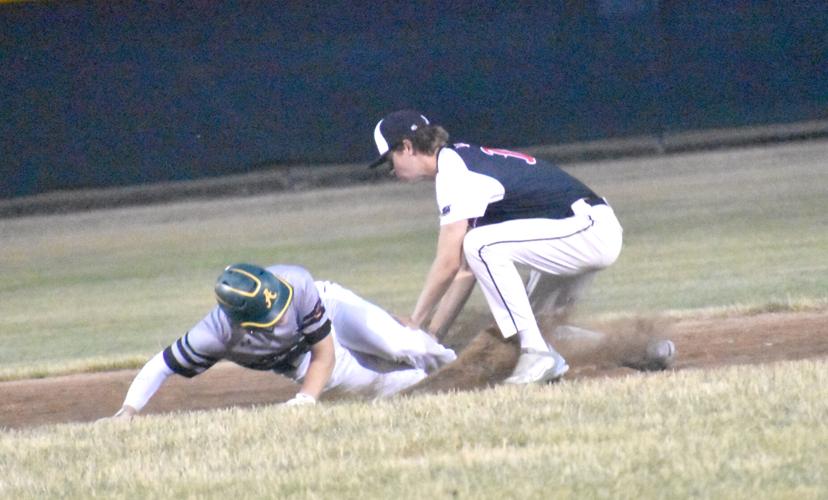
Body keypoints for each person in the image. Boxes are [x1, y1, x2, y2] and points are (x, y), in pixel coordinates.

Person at [368, 110, 623, 385]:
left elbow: (448, 263)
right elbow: (466, 270)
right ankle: (631, 349)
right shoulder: (460, 160)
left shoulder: (455, 171)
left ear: (406, 146)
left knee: (479, 244)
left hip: (587, 230)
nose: (391, 170)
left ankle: (537, 355)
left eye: (389, 161)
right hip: (576, 230)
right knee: (534, 325)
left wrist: (415, 320)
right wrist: (433, 335)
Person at [108, 263, 456, 419]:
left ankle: (462, 366)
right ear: (238, 321)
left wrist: (305, 399)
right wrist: (127, 411)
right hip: (298, 360)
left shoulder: (296, 283)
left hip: (325, 308)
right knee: (389, 384)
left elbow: (325, 352)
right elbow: (161, 365)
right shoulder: (212, 335)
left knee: (401, 345)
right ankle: (449, 387)